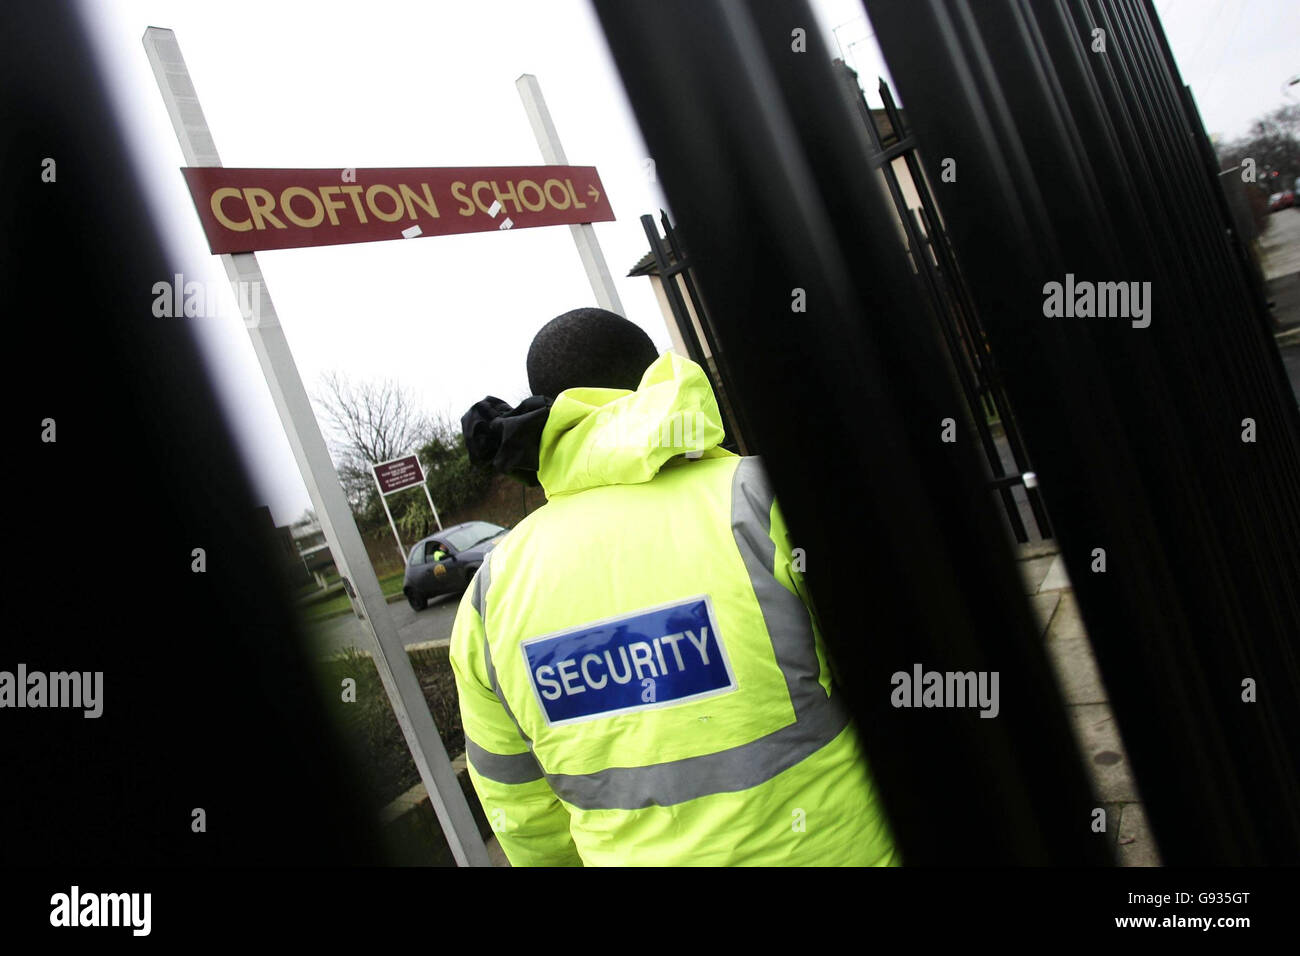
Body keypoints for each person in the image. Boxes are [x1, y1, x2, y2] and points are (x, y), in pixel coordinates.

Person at [449, 307, 896, 866]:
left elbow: (521, 812)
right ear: (656, 375)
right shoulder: (767, 503)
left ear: (544, 409)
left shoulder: (490, 597)